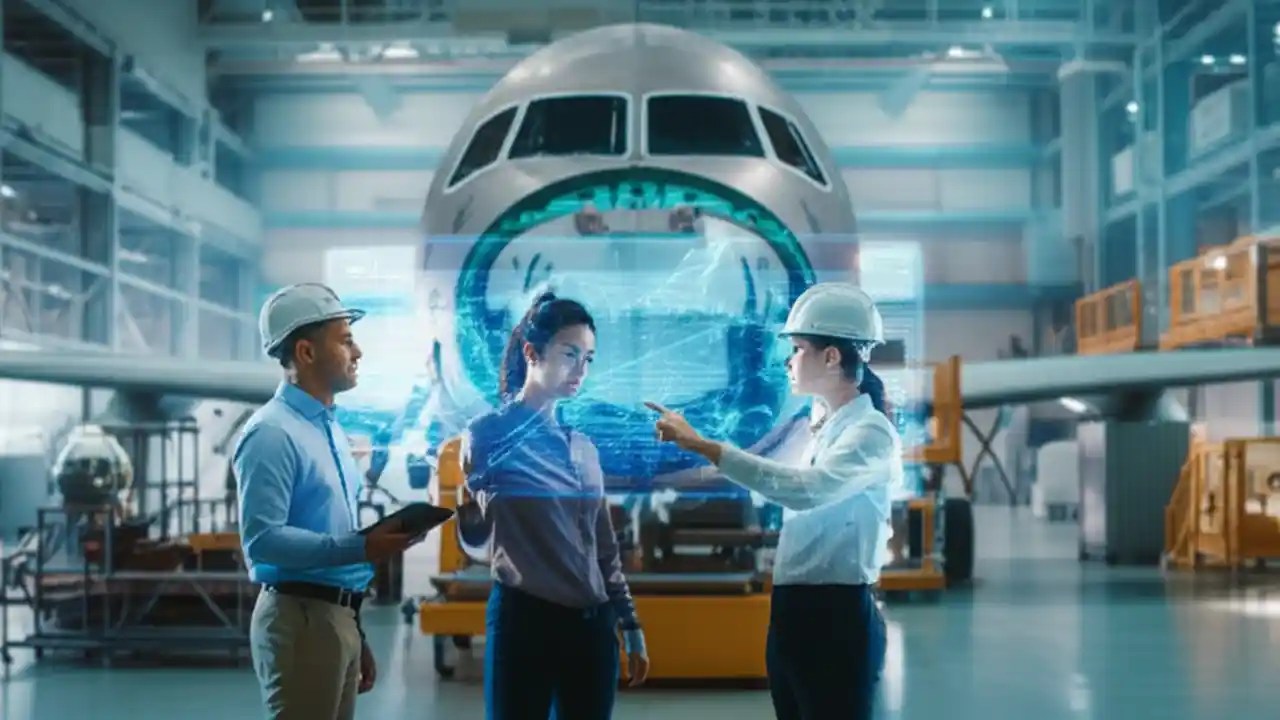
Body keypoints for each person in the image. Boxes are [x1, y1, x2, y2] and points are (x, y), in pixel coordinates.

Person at [647, 281, 901, 720]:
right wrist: (670, 469)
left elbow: (806, 490)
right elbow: (759, 474)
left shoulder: (870, 433)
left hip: (837, 616)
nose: (789, 359)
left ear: (832, 356)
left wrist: (705, 445)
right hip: (792, 611)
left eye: (799, 347)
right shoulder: (815, 424)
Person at [235, 282, 419, 720]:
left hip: (334, 616)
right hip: (299, 620)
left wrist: (354, 626)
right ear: (306, 352)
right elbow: (262, 540)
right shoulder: (272, 433)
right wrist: (361, 547)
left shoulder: (329, 430)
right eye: (346, 340)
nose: (357, 353)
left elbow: (334, 538)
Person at [462, 291, 650, 720]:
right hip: (526, 622)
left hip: (592, 629)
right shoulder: (489, 436)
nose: (580, 370)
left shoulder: (583, 449)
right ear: (532, 351)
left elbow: (604, 547)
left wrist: (629, 620)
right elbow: (477, 534)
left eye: (588, 358)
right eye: (570, 354)